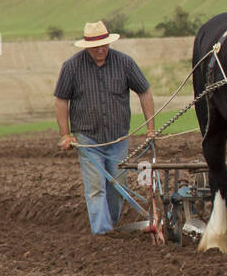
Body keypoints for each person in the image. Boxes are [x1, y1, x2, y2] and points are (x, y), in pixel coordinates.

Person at [54, 21, 156, 235]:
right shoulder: (72, 66)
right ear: (87, 47)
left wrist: (150, 128)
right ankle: (103, 233)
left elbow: (144, 92)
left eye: (104, 45)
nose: (100, 50)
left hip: (118, 137)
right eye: (95, 47)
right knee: (96, 188)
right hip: (88, 138)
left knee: (118, 187)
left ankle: (110, 228)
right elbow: (61, 100)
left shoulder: (125, 63)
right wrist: (65, 134)